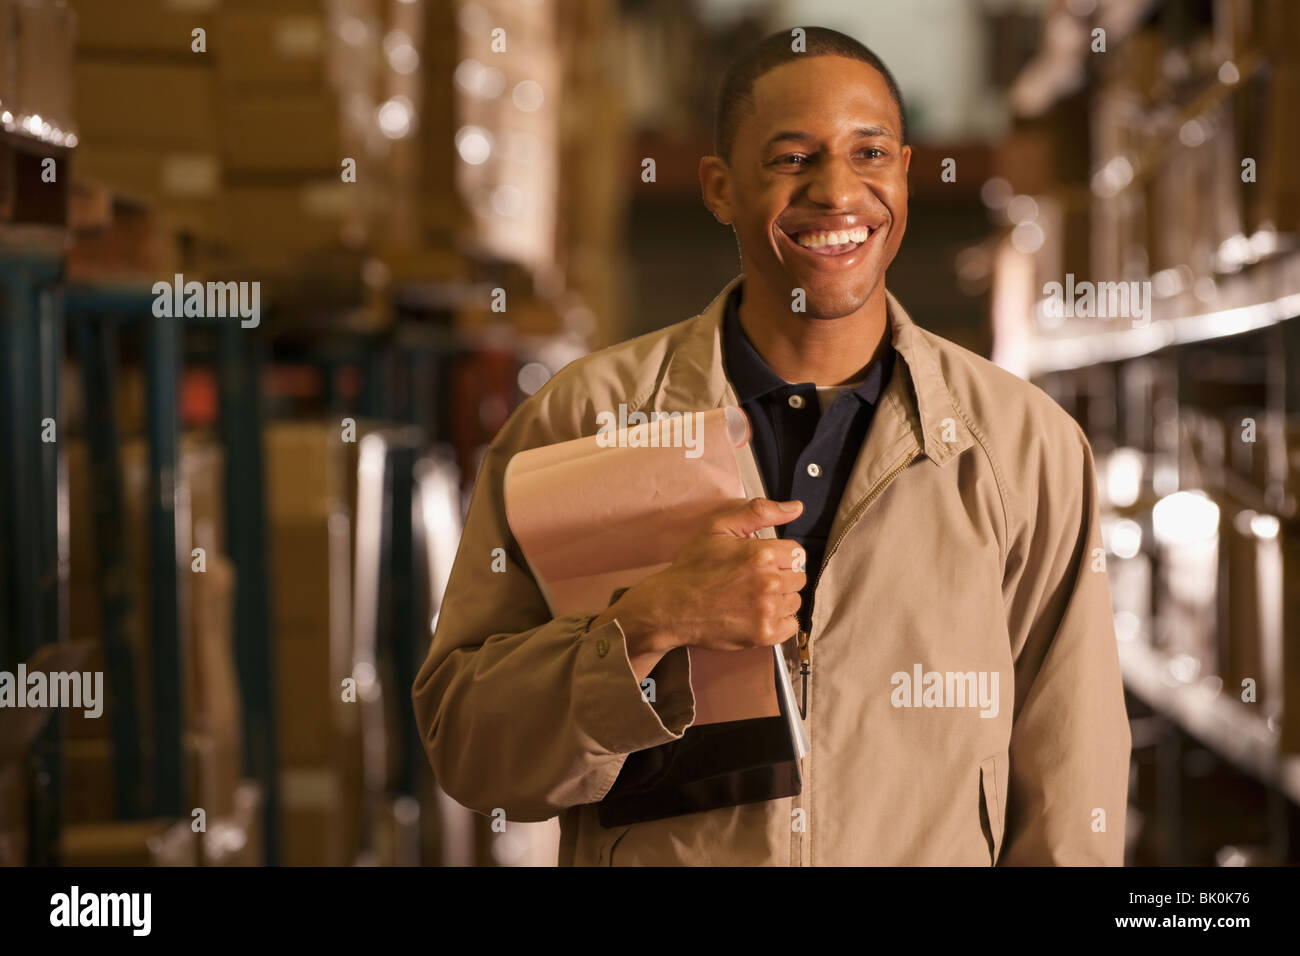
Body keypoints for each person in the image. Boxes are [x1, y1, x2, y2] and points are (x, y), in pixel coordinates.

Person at [412, 26, 1131, 865]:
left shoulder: (1024, 448)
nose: (837, 192)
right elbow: (471, 746)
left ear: (903, 169)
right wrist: (645, 626)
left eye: (869, 154)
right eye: (792, 158)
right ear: (719, 187)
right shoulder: (585, 420)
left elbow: (1071, 771)